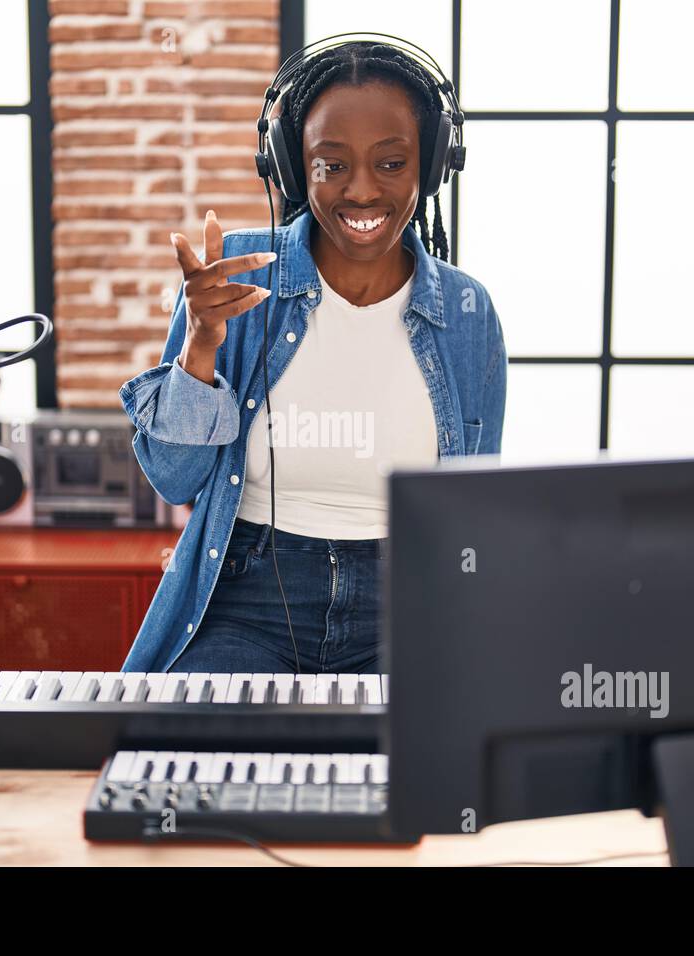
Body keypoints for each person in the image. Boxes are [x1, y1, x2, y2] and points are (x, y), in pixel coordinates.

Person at [119, 41, 506, 675]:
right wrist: (200, 348)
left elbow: (473, 515)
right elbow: (174, 480)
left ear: (431, 167)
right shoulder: (234, 281)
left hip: (404, 609)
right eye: (331, 165)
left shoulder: (467, 313)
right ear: (295, 171)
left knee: (427, 770)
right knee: (194, 759)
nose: (361, 191)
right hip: (251, 600)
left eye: (391, 163)